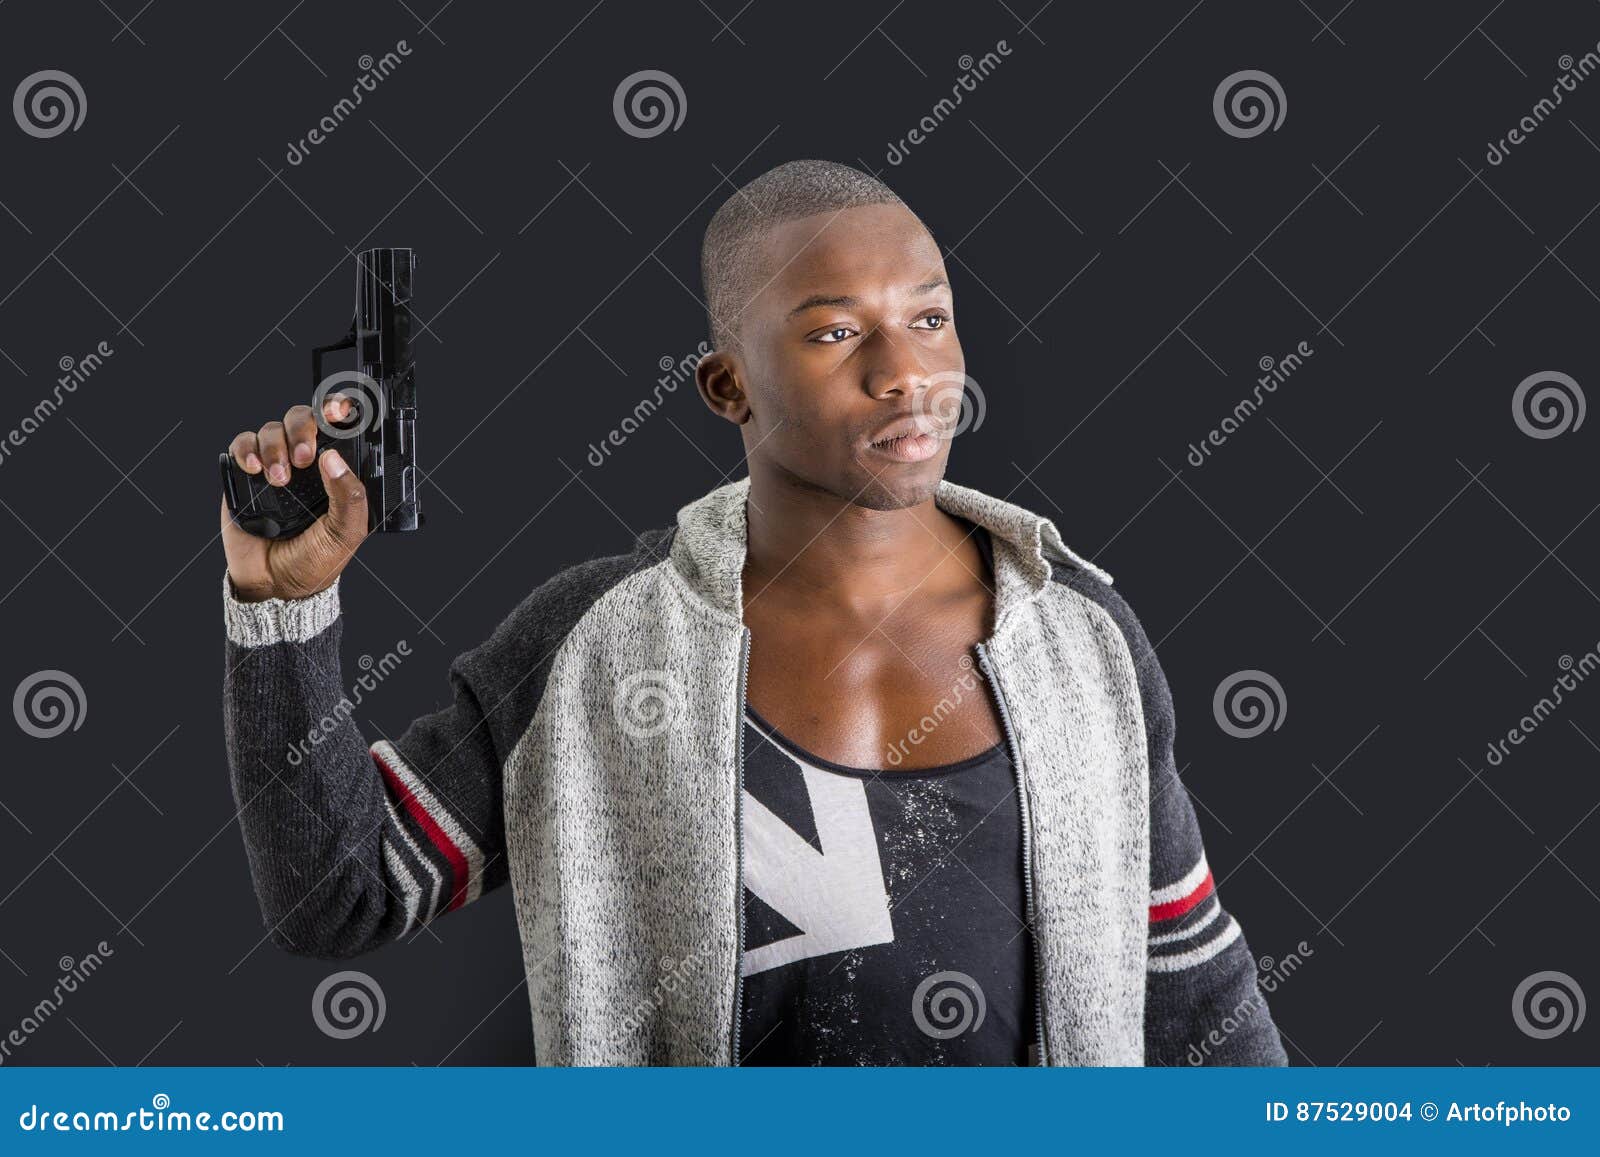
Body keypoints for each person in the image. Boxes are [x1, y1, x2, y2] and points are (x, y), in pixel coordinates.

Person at [219, 159, 1288, 1067]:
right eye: (833, 333)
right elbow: (339, 893)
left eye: (927, 317)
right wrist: (284, 609)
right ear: (727, 387)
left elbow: (1189, 980)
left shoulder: (1078, 629)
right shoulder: (593, 644)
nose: (904, 373)